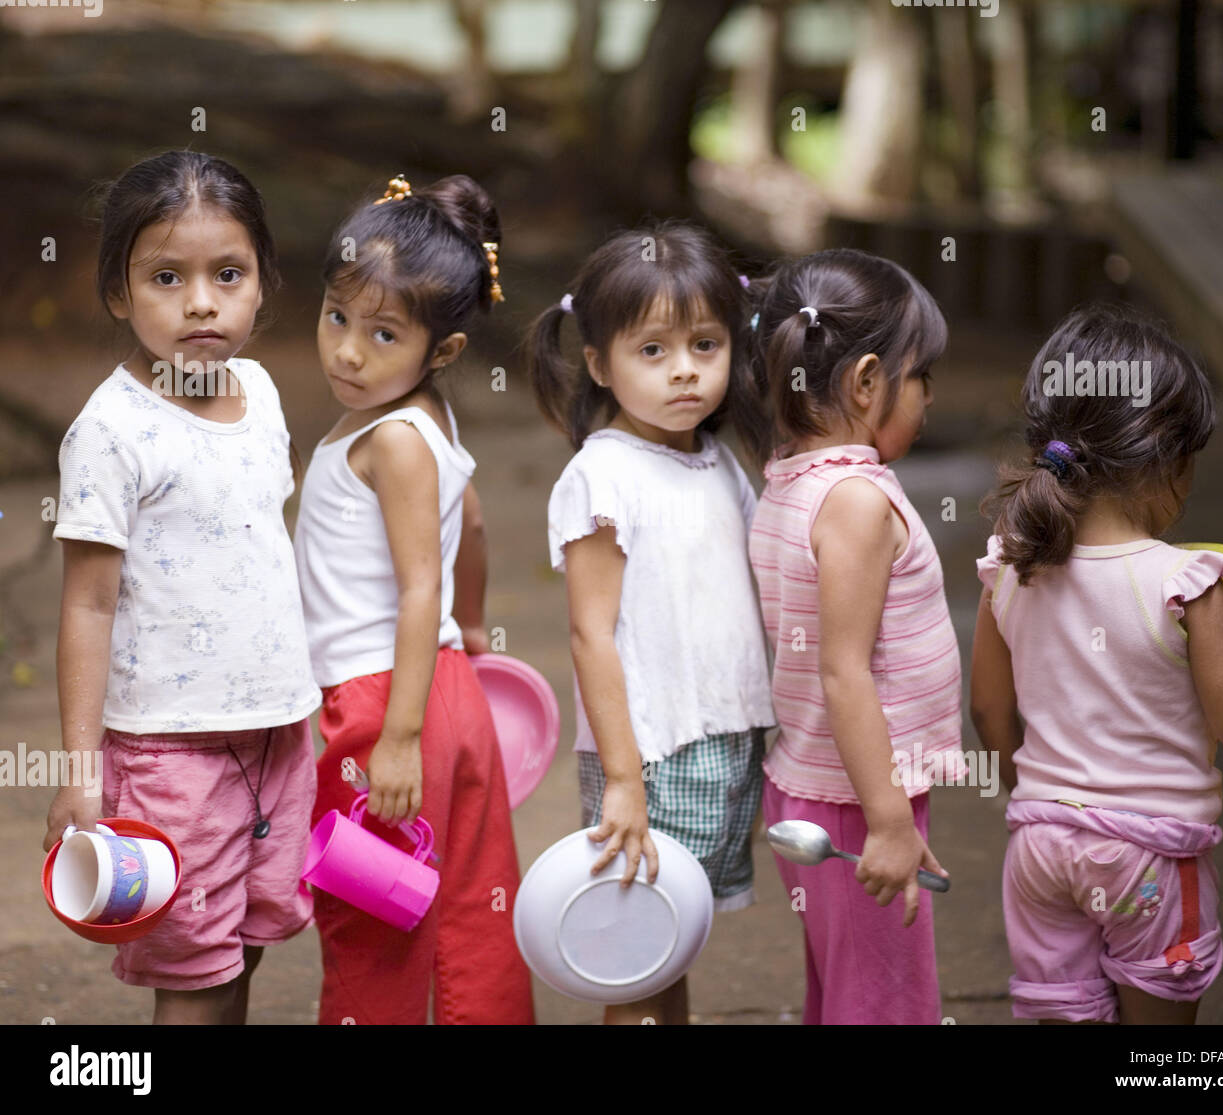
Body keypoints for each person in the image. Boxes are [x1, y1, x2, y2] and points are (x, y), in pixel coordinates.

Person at [44, 150, 321, 1024]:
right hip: (171, 752)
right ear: (120, 293)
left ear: (262, 283)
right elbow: (86, 606)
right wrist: (78, 769)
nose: (202, 301)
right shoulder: (113, 432)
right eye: (168, 276)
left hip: (279, 733)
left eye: (227, 273)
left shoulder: (263, 392)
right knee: (191, 971)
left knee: (243, 944)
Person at [970, 304, 1223, 1024]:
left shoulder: (1010, 566)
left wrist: (1043, 795)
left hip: (1042, 848)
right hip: (1148, 855)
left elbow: (989, 708)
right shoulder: (1186, 582)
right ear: (1167, 458)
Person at [294, 173, 533, 1025]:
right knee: (473, 906)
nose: (349, 352)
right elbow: (468, 521)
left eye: (383, 333)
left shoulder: (389, 439)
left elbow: (416, 582)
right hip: (444, 688)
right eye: (337, 317)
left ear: (444, 350)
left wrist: (395, 739)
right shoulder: (429, 423)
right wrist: (470, 630)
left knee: (373, 918)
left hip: (379, 704)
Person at [527, 221, 774, 1025]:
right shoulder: (603, 473)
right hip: (653, 751)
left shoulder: (716, 459)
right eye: (654, 351)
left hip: (722, 739)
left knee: (672, 939)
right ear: (599, 362)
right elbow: (591, 634)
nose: (686, 373)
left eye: (705, 345)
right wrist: (624, 781)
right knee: (634, 951)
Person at [747, 249, 961, 1025]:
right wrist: (891, 821)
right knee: (882, 1003)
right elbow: (844, 670)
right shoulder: (855, 501)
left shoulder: (789, 479)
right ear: (868, 381)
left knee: (842, 991)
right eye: (921, 376)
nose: (930, 399)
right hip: (857, 798)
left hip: (824, 783)